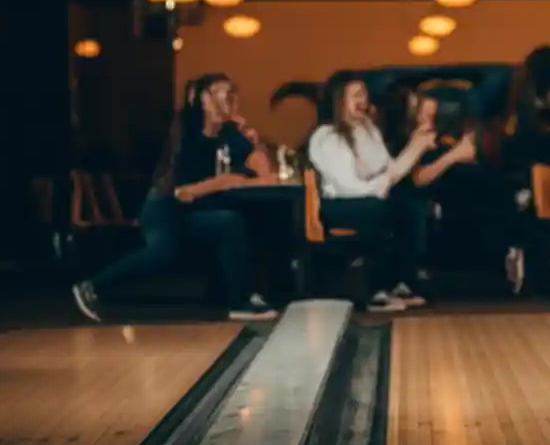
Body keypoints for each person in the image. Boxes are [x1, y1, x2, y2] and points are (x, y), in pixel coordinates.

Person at [71, 73, 278, 322]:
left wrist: (245, 134)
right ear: (203, 98)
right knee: (163, 251)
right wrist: (224, 182)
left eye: (231, 91)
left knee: (230, 222)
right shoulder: (187, 128)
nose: (228, 96)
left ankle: (238, 300)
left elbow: (267, 175)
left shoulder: (231, 133)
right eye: (220, 90)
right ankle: (91, 286)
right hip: (163, 208)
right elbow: (181, 189)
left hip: (192, 210)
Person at [308, 77, 436, 312]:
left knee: (409, 207)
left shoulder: (368, 129)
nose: (362, 101)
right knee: (382, 210)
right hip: (341, 204)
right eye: (355, 95)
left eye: (364, 94)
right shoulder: (326, 136)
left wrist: (415, 147)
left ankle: (400, 281)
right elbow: (349, 186)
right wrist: (384, 186)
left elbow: (390, 170)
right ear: (339, 100)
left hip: (369, 198)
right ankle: (373, 290)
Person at [409, 93, 528, 293]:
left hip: (471, 191)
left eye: (435, 115)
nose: (431, 121)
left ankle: (506, 256)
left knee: (488, 182)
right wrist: (454, 156)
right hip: (439, 194)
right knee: (469, 180)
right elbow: (419, 179)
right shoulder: (416, 142)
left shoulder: (452, 139)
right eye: (426, 115)